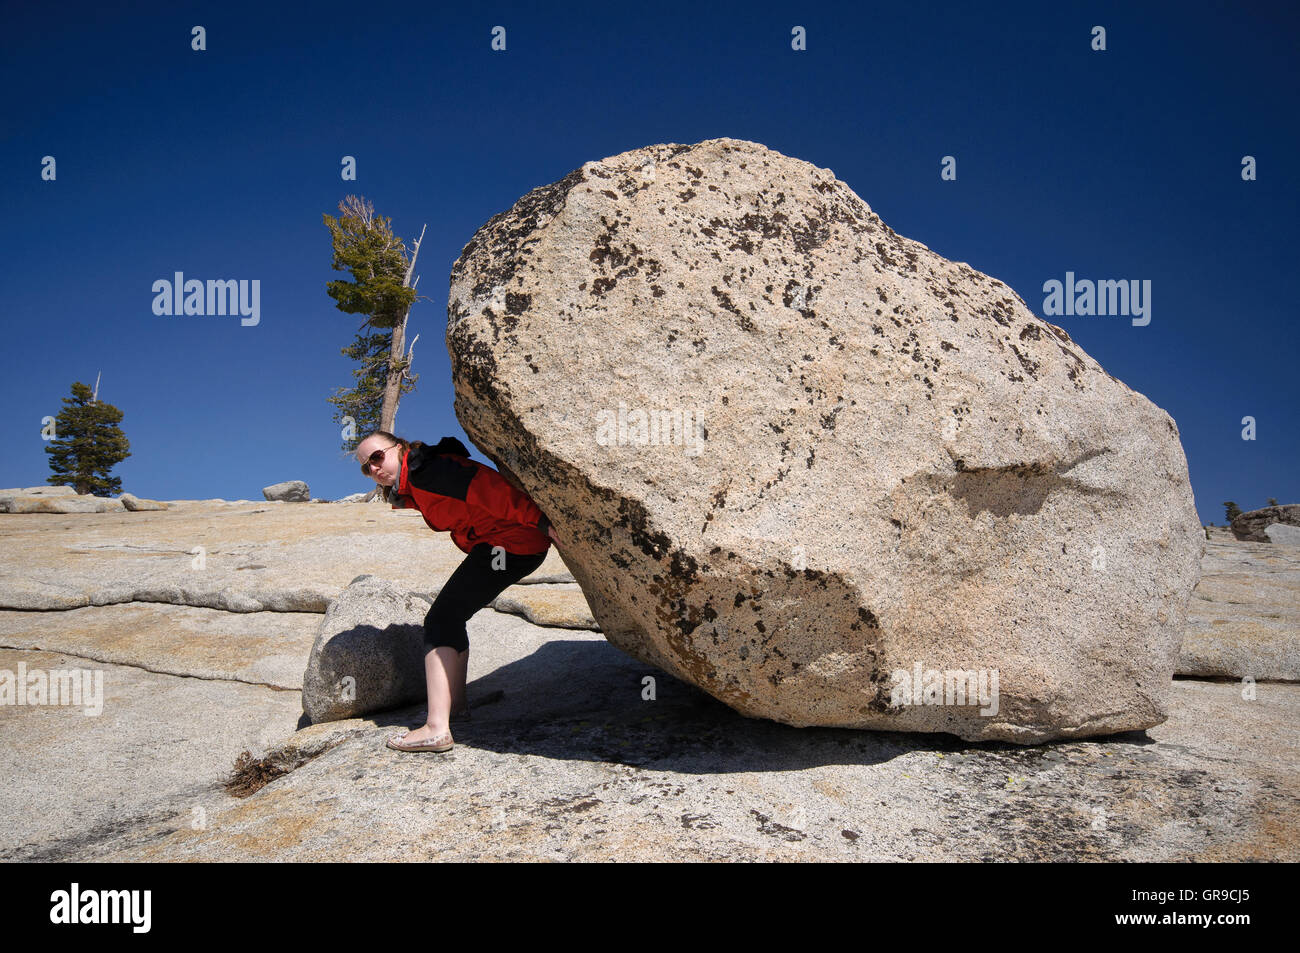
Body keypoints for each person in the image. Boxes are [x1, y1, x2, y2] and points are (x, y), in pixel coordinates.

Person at [353, 430, 559, 753]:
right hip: (503, 544)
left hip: (513, 542)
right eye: (367, 467)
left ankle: (436, 727)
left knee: (440, 621)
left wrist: (540, 521)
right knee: (451, 616)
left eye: (377, 457)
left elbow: (487, 488)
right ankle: (456, 708)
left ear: (399, 447)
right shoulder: (413, 482)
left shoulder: (428, 472)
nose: (374, 469)